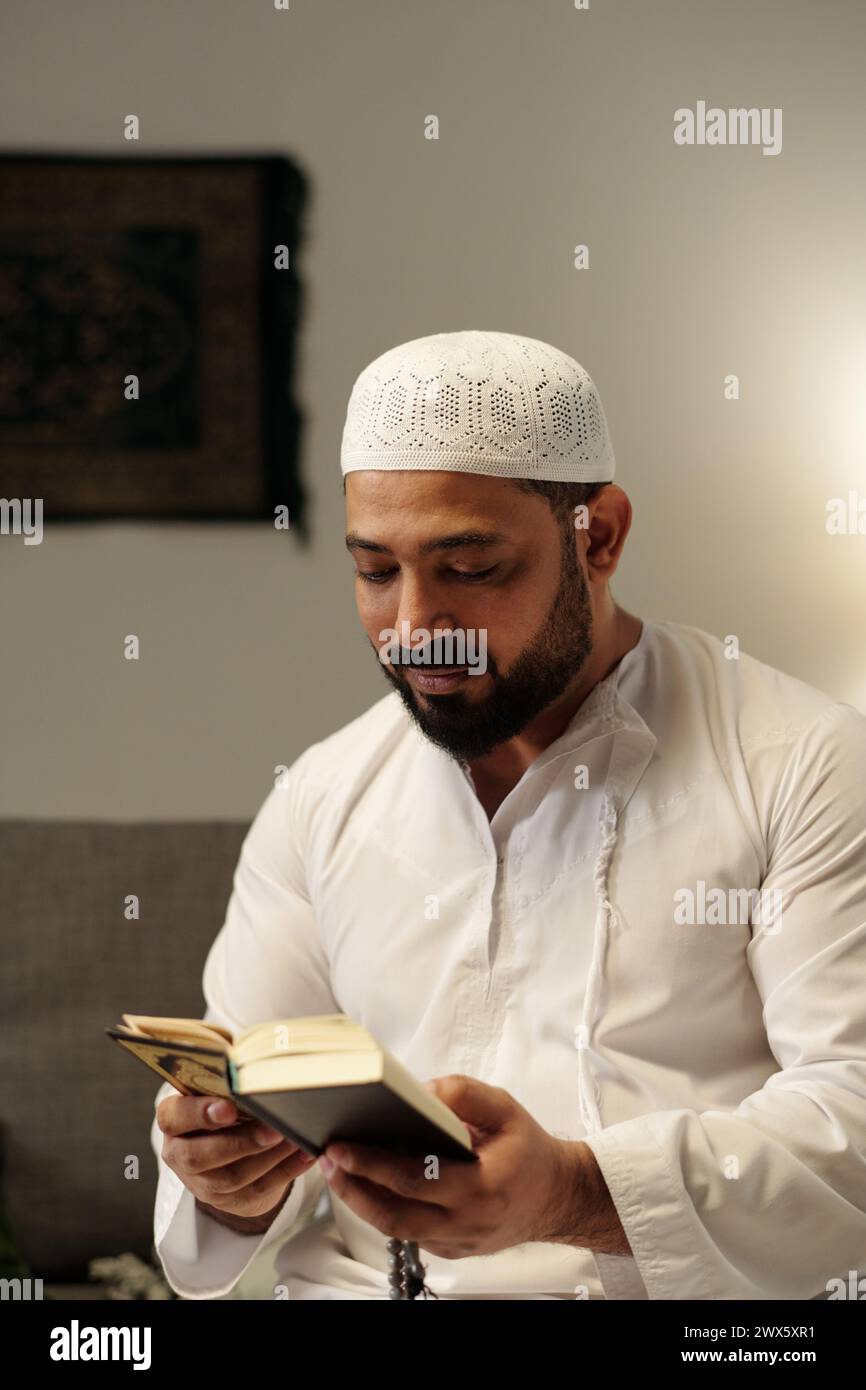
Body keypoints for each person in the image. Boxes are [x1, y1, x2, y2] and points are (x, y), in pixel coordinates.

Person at [150, 330, 866, 1300]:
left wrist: (574, 1193)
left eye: (470, 567)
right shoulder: (323, 790)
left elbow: (852, 1118)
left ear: (597, 536)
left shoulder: (801, 761)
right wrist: (223, 1180)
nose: (412, 625)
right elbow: (237, 1086)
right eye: (374, 570)